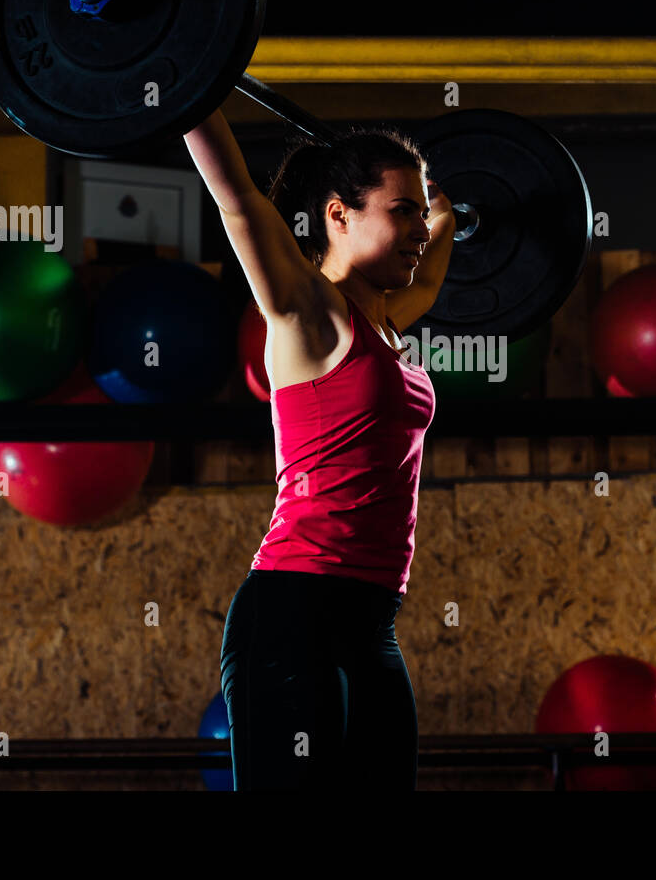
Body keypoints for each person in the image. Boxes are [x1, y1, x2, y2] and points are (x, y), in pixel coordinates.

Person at [184, 107, 456, 789]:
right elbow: (238, 198)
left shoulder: (388, 320)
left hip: (370, 622)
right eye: (402, 211)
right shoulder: (309, 310)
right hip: (294, 613)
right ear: (338, 214)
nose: (418, 230)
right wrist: (186, 93)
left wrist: (447, 212)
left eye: (419, 213)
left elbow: (431, 266)